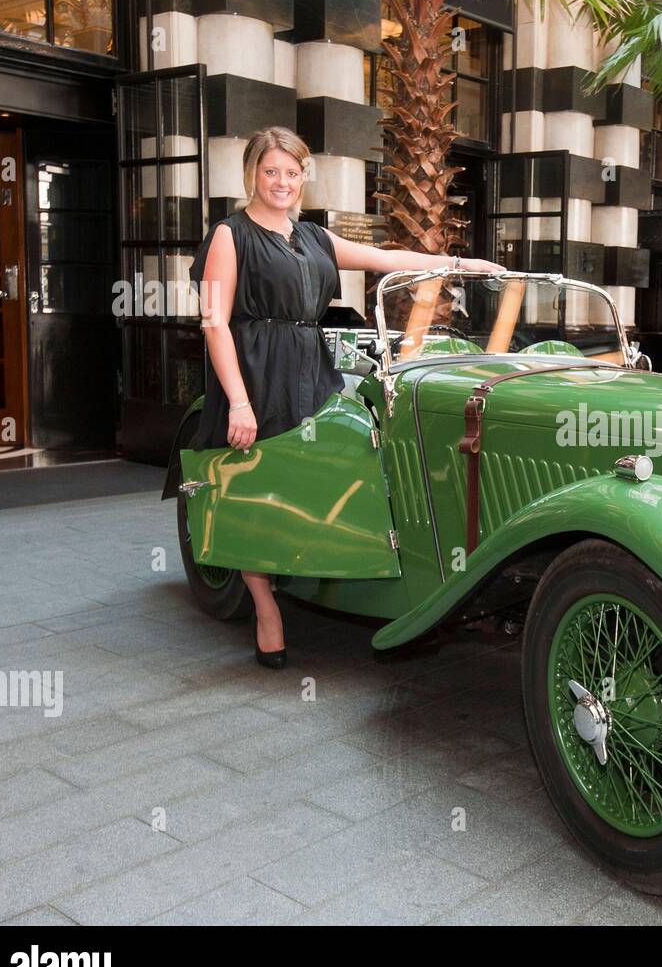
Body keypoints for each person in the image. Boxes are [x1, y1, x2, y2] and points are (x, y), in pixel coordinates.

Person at [189, 126, 503, 669]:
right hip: (256, 371)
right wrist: (238, 401)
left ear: (303, 177)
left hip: (312, 366)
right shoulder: (229, 234)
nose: (281, 182)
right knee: (258, 481)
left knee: (322, 468)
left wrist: (460, 266)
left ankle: (327, 565)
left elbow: (384, 259)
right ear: (252, 175)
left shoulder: (312, 237)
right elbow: (215, 322)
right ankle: (265, 604)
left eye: (292, 172)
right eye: (271, 172)